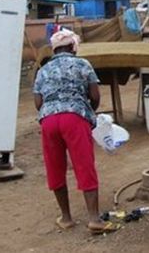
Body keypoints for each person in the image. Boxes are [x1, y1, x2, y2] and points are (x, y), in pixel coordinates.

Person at [33, 29, 119, 234]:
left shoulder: (42, 70)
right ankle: (94, 219)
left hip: (49, 120)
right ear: (73, 47)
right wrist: (88, 110)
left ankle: (66, 218)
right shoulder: (83, 64)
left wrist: (53, 107)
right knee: (84, 165)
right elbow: (94, 95)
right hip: (74, 118)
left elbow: (38, 102)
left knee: (55, 166)